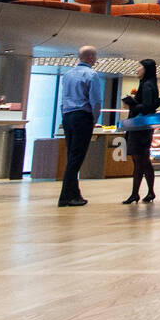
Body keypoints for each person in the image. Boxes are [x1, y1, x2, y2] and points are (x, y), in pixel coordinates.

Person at [58, 46, 101, 207]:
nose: (96, 59)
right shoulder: (91, 75)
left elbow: (63, 99)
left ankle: (75, 194)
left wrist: (64, 116)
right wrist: (95, 119)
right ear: (90, 57)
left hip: (68, 116)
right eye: (95, 56)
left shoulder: (67, 75)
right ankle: (65, 196)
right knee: (77, 158)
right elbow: (95, 101)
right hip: (82, 117)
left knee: (72, 155)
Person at [122, 58, 160, 204]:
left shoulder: (147, 86)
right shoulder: (149, 84)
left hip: (140, 128)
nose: (137, 70)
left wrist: (133, 104)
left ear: (146, 69)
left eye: (139, 67)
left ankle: (136, 193)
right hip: (143, 128)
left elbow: (148, 106)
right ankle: (149, 192)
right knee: (143, 161)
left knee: (139, 161)